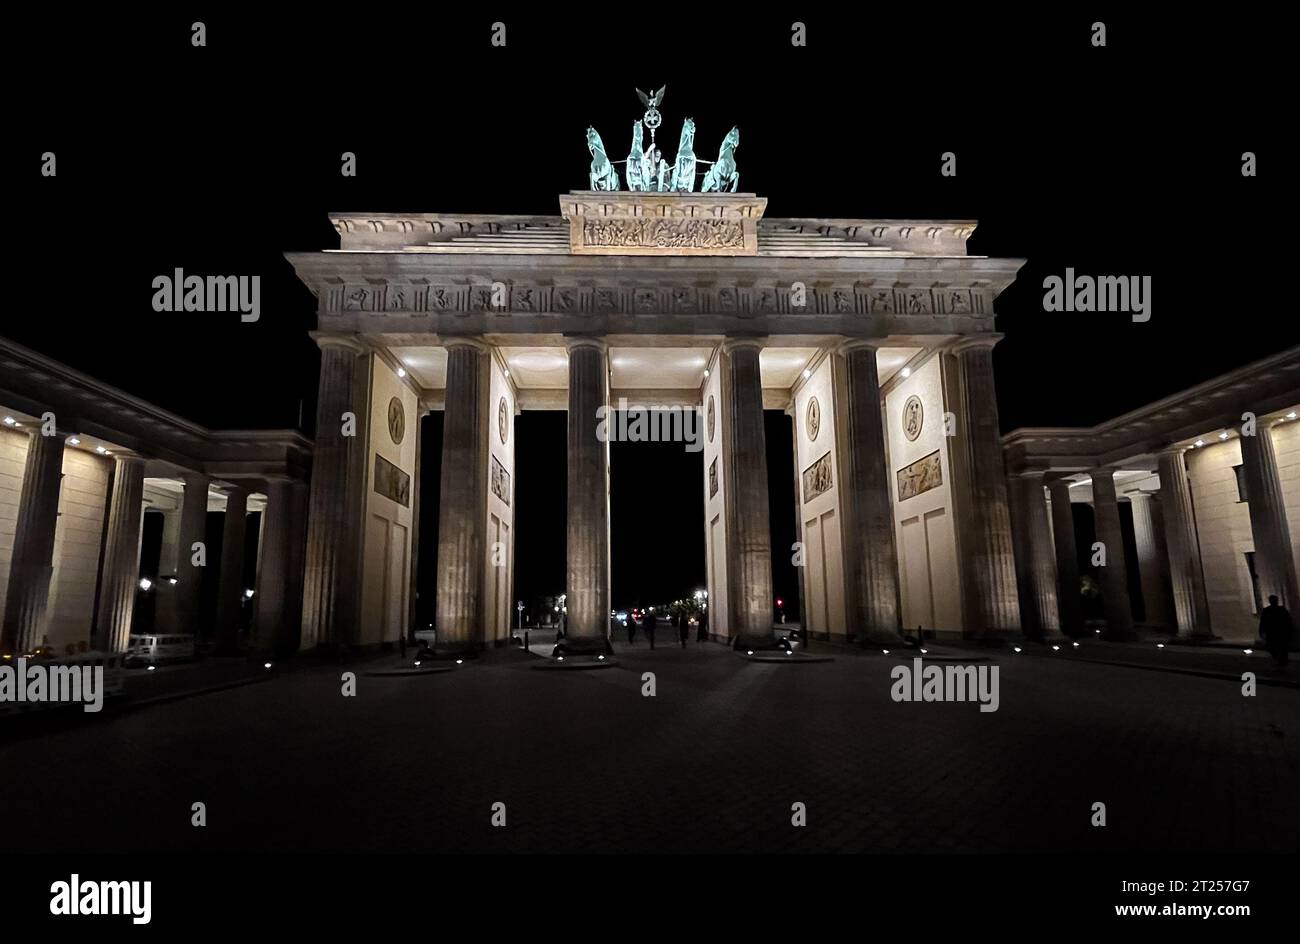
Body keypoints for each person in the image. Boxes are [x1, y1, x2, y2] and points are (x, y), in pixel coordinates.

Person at [1259, 594, 1294, 667]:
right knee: (1280, 648)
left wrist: (1261, 631)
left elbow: (1263, 622)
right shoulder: (1280, 610)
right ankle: (1282, 661)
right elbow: (1288, 621)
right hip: (1279, 632)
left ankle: (1280, 661)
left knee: (1275, 648)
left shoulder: (1268, 610)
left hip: (1274, 632)